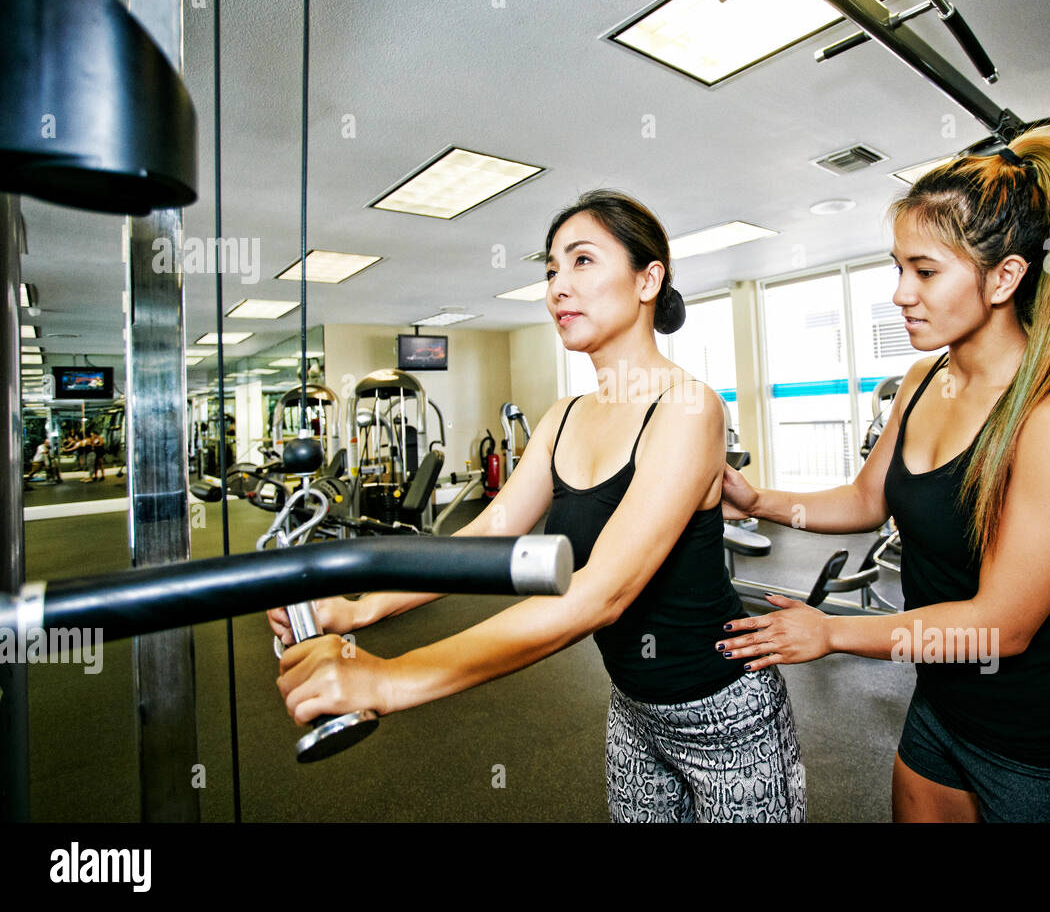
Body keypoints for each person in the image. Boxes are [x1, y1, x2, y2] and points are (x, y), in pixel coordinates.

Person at [271, 190, 806, 822]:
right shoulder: (565, 416)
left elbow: (597, 594)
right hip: (634, 710)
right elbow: (489, 530)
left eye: (582, 262)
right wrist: (361, 606)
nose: (557, 287)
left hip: (726, 713)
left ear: (647, 278)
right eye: (551, 269)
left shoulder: (688, 408)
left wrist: (391, 679)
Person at [718, 124, 1050, 823]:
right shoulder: (922, 381)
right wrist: (759, 498)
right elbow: (866, 499)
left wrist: (832, 631)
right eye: (897, 268)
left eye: (924, 271)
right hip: (942, 711)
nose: (899, 294)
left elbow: (1000, 628)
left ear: (1005, 276)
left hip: (1043, 741)